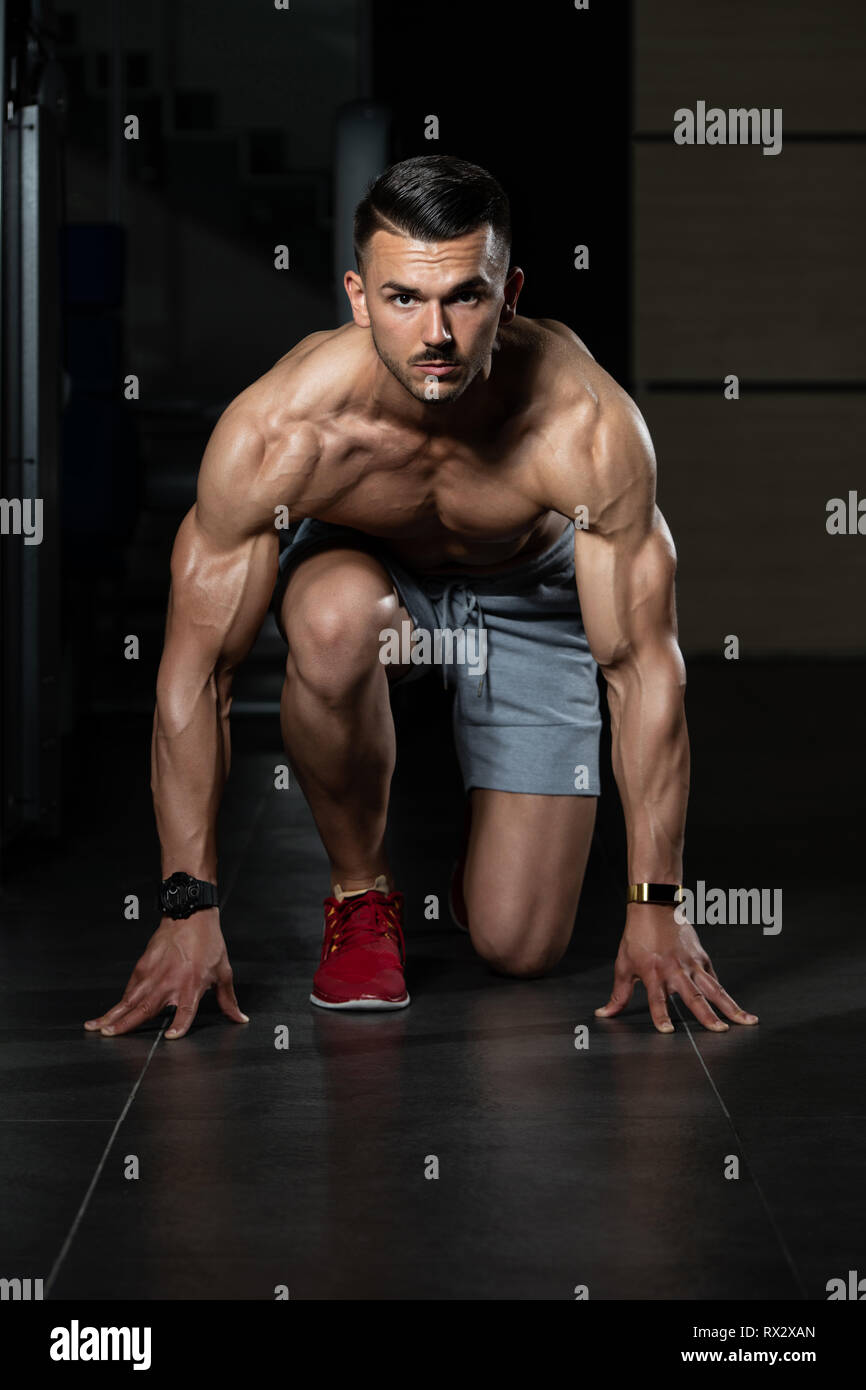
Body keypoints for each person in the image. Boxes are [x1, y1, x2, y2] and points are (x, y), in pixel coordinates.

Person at [85, 154, 758, 1037]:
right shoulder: (285, 429)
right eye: (404, 299)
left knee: (522, 948)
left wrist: (657, 904)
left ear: (509, 294)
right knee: (329, 620)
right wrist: (186, 908)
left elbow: (643, 673)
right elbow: (194, 674)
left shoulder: (584, 426)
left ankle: (490, 871)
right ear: (359, 298)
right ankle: (363, 898)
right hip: (371, 575)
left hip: (532, 594)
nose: (434, 333)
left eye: (464, 298)